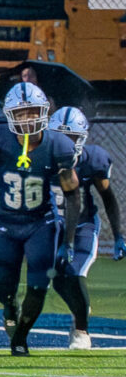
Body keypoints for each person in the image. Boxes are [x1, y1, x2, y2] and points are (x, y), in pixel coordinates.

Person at [0, 82, 78, 356]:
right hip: (7, 224)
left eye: (32, 112)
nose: (27, 119)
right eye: (20, 113)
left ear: (43, 112)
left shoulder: (58, 145)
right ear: (9, 115)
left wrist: (67, 240)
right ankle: (10, 307)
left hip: (41, 223)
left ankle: (20, 337)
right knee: (3, 286)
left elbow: (73, 194)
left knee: (38, 285)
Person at [47, 107, 111, 350]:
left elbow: (109, 197)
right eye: (60, 137)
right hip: (53, 227)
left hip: (83, 225)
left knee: (75, 272)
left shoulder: (92, 159)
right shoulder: (42, 158)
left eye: (71, 137)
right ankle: (80, 307)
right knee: (58, 281)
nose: (65, 143)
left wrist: (117, 235)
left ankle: (81, 329)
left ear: (82, 137)